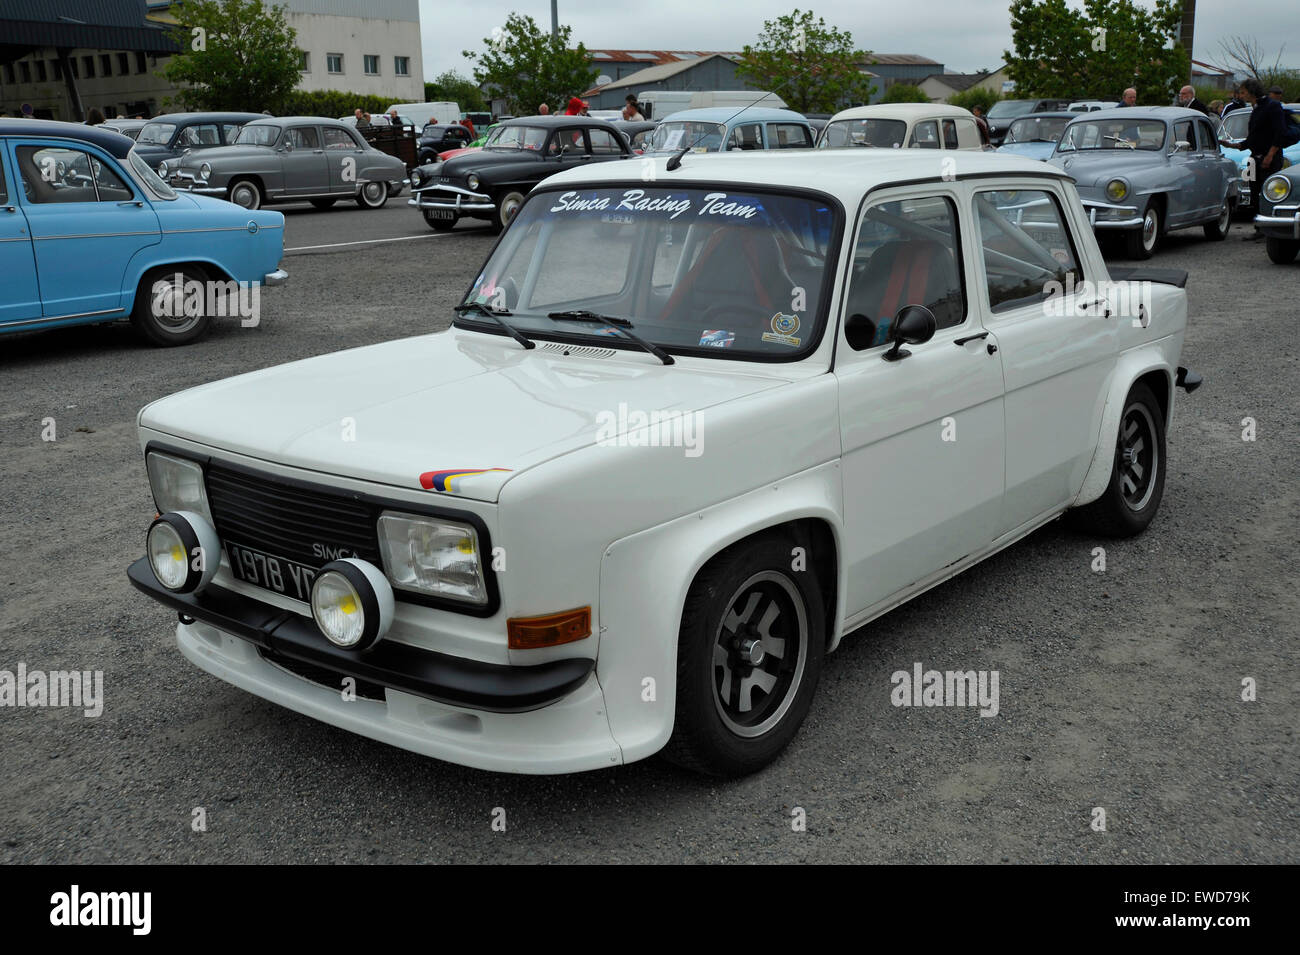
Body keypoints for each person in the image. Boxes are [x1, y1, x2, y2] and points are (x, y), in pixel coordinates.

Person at [1235, 79, 1288, 227]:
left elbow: (1280, 133)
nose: (1242, 95)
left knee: (1269, 191)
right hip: (1254, 158)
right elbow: (1254, 136)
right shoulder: (1256, 108)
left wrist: (1270, 155)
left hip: (1269, 157)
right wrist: (1237, 145)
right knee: (1254, 190)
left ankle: (1271, 225)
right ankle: (1259, 227)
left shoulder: (1273, 106)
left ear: (1252, 92)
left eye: (1244, 92)